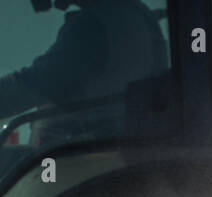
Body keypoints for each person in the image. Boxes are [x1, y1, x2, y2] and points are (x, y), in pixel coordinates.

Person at [0, 0, 168, 144]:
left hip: (79, 157)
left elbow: (33, 85)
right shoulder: (137, 15)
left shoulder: (92, 26)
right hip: (110, 154)